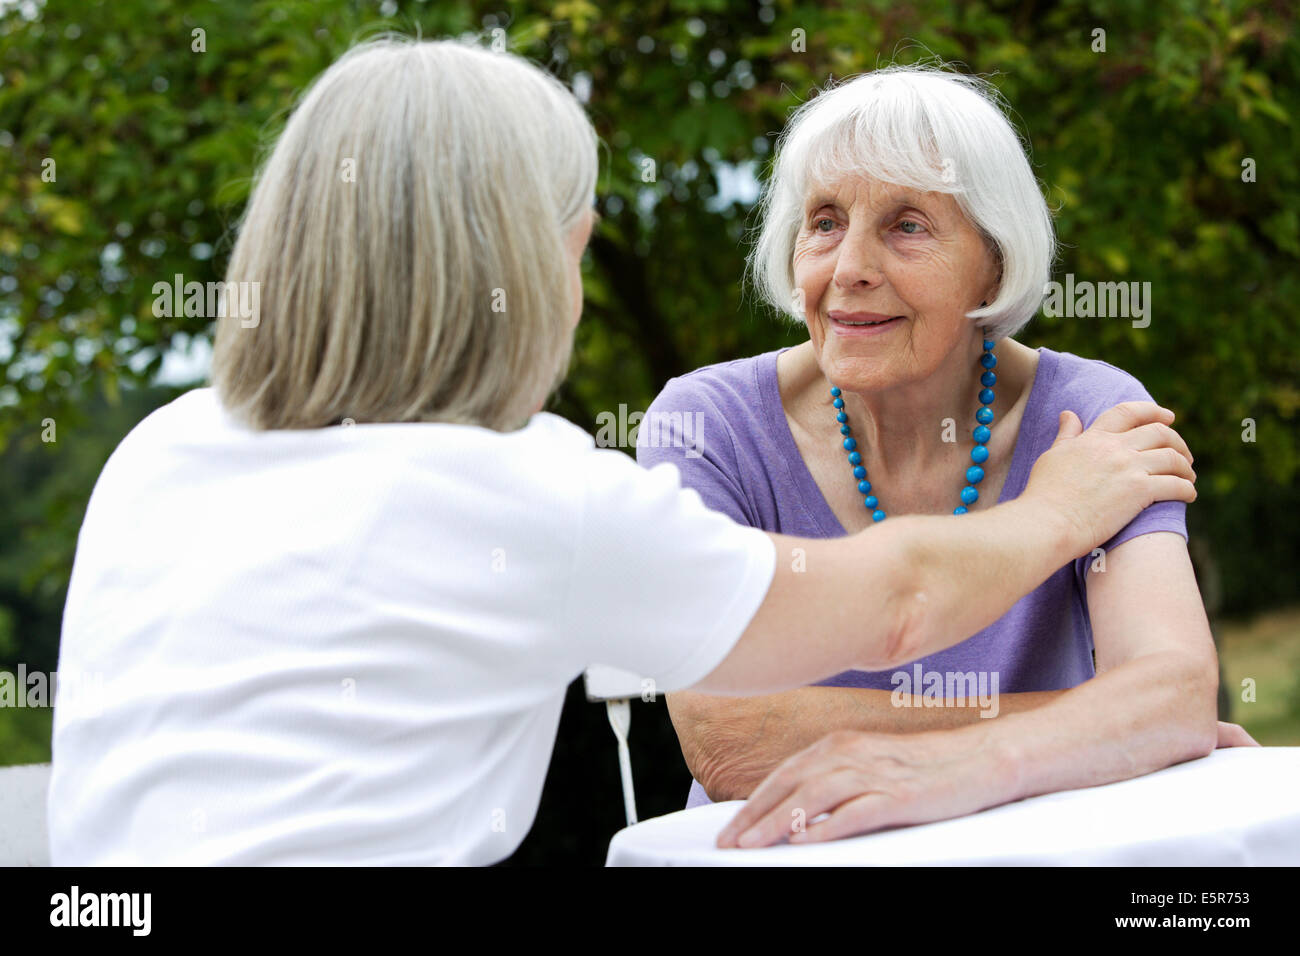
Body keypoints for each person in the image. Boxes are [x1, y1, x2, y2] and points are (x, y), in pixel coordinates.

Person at [48, 39, 1197, 865]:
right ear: (503, 269)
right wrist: (1062, 523)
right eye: (572, 252)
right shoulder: (531, 491)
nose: (575, 293)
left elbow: (1171, 688)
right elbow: (852, 642)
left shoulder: (156, 450)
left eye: (905, 223)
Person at [638, 63, 1251, 850]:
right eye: (824, 221)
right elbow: (731, 739)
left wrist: (973, 759)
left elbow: (1172, 690)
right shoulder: (705, 424)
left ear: (993, 262)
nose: (850, 267)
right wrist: (1089, 724)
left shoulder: (1089, 415)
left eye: (907, 225)